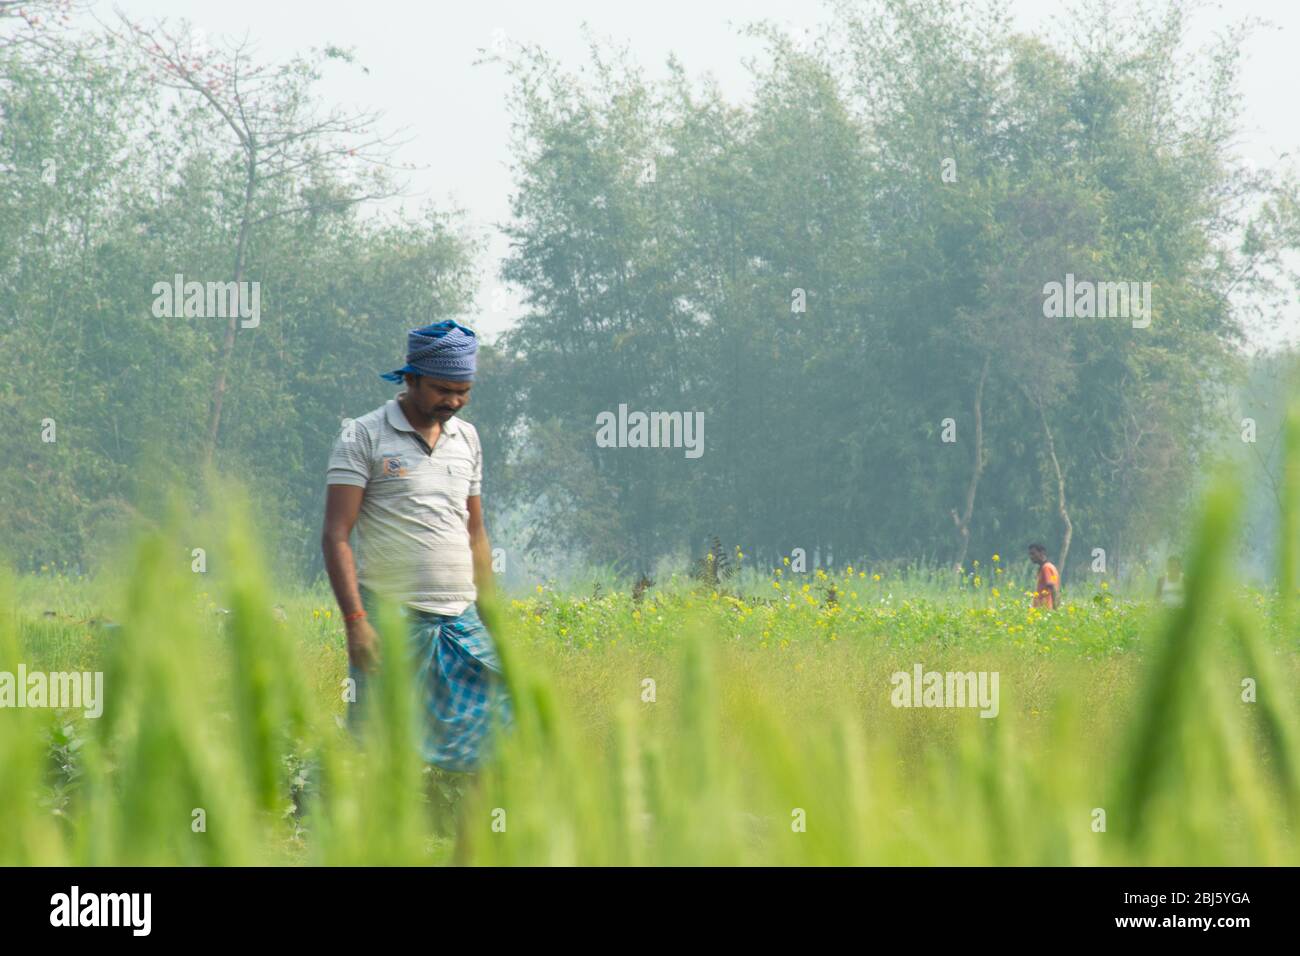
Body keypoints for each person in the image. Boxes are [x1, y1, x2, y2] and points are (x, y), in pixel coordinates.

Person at [321, 319, 513, 790]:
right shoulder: (362, 437)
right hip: (391, 620)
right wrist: (356, 623)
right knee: (380, 760)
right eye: (443, 389)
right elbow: (336, 535)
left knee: (501, 744)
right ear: (411, 378)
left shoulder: (466, 439)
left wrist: (491, 616)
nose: (453, 401)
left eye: (463, 391)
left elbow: (476, 533)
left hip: (460, 622)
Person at [1028, 542, 1060, 610]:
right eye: (1030, 554)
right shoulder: (1048, 567)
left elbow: (1053, 588)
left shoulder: (1046, 568)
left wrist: (1055, 609)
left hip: (1045, 609)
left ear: (1041, 553)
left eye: (1033, 554)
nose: (1031, 557)